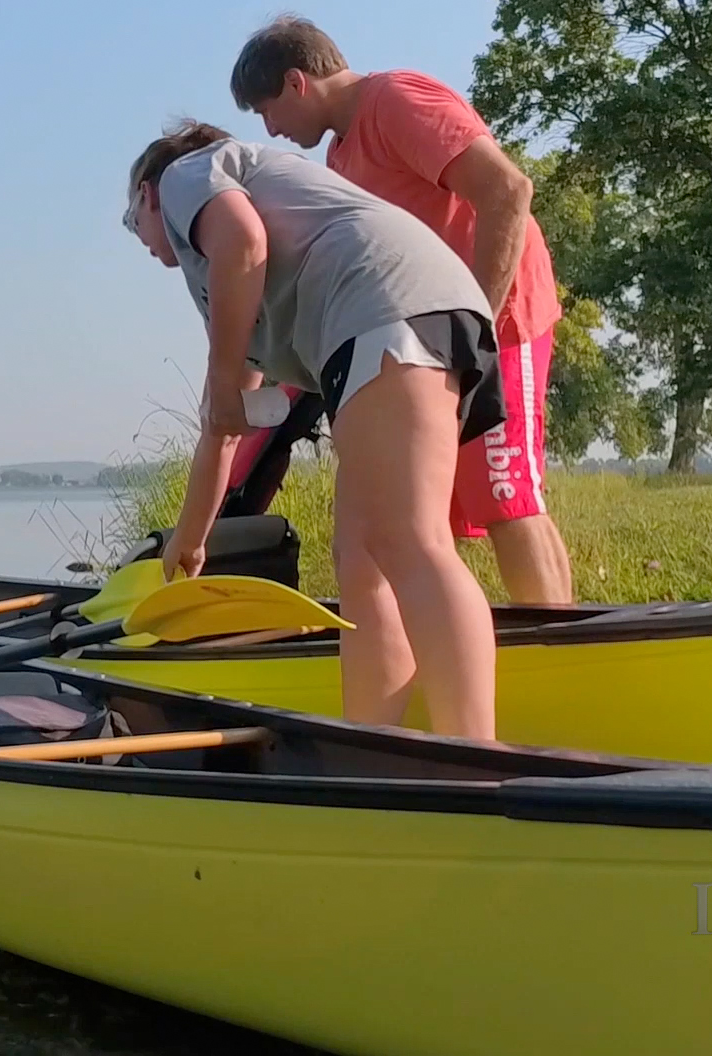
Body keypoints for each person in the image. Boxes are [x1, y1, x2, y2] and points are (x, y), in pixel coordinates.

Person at [124, 119, 501, 740]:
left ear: (147, 194)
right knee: (361, 558)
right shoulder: (227, 285)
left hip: (383, 306)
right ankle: (370, 743)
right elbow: (223, 428)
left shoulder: (186, 175)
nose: (140, 235)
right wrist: (190, 543)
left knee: (410, 540)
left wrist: (222, 377)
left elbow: (244, 241)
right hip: (410, 310)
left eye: (131, 219)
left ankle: (475, 756)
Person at [226, 15, 576, 607]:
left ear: (295, 83)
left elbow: (508, 190)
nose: (270, 129)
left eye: (266, 110)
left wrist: (477, 330)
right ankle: (439, 648)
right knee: (419, 515)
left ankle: (562, 647)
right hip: (432, 341)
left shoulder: (394, 100)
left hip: (499, 319)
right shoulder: (340, 158)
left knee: (504, 495)